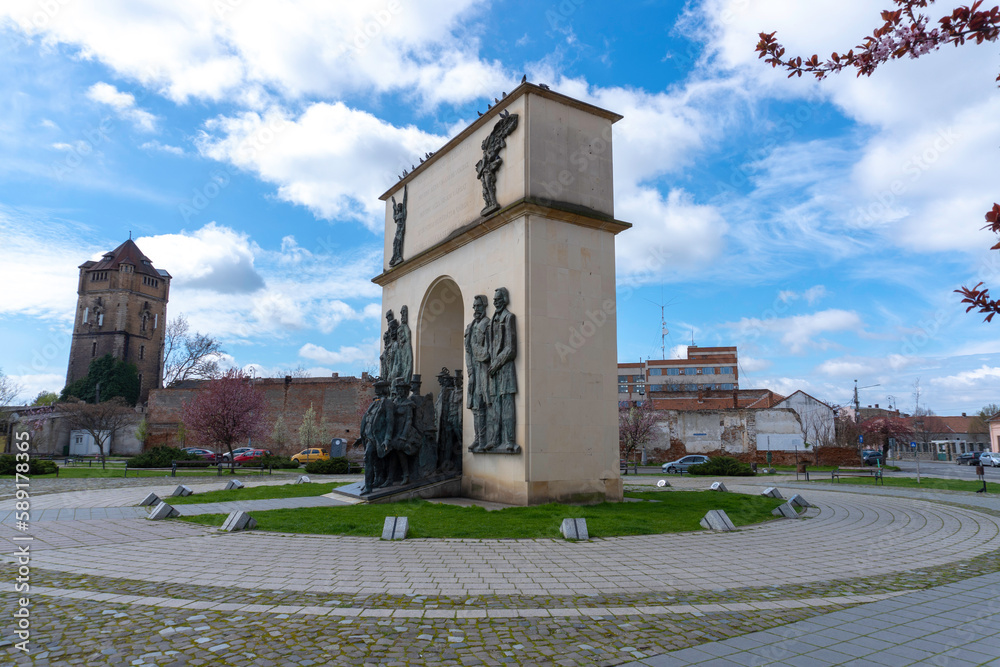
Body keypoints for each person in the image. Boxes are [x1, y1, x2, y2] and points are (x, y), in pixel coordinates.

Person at [488, 287, 519, 453]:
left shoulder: (508, 318)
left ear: (505, 300)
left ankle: (509, 440)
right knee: (495, 408)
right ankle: (495, 439)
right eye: (494, 300)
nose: (495, 302)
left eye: (498, 299)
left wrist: (497, 363)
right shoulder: (493, 320)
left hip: (505, 368)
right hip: (494, 371)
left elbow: (511, 348)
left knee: (507, 405)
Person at [465, 294, 491, 452]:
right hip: (473, 370)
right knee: (475, 406)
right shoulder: (470, 326)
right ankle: (478, 438)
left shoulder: (487, 324)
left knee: (485, 403)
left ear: (484, 306)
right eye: (474, 306)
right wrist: (469, 371)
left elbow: (488, 350)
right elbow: (467, 351)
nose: (476, 309)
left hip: (484, 369)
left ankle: (486, 439)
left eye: (479, 306)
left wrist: (476, 349)